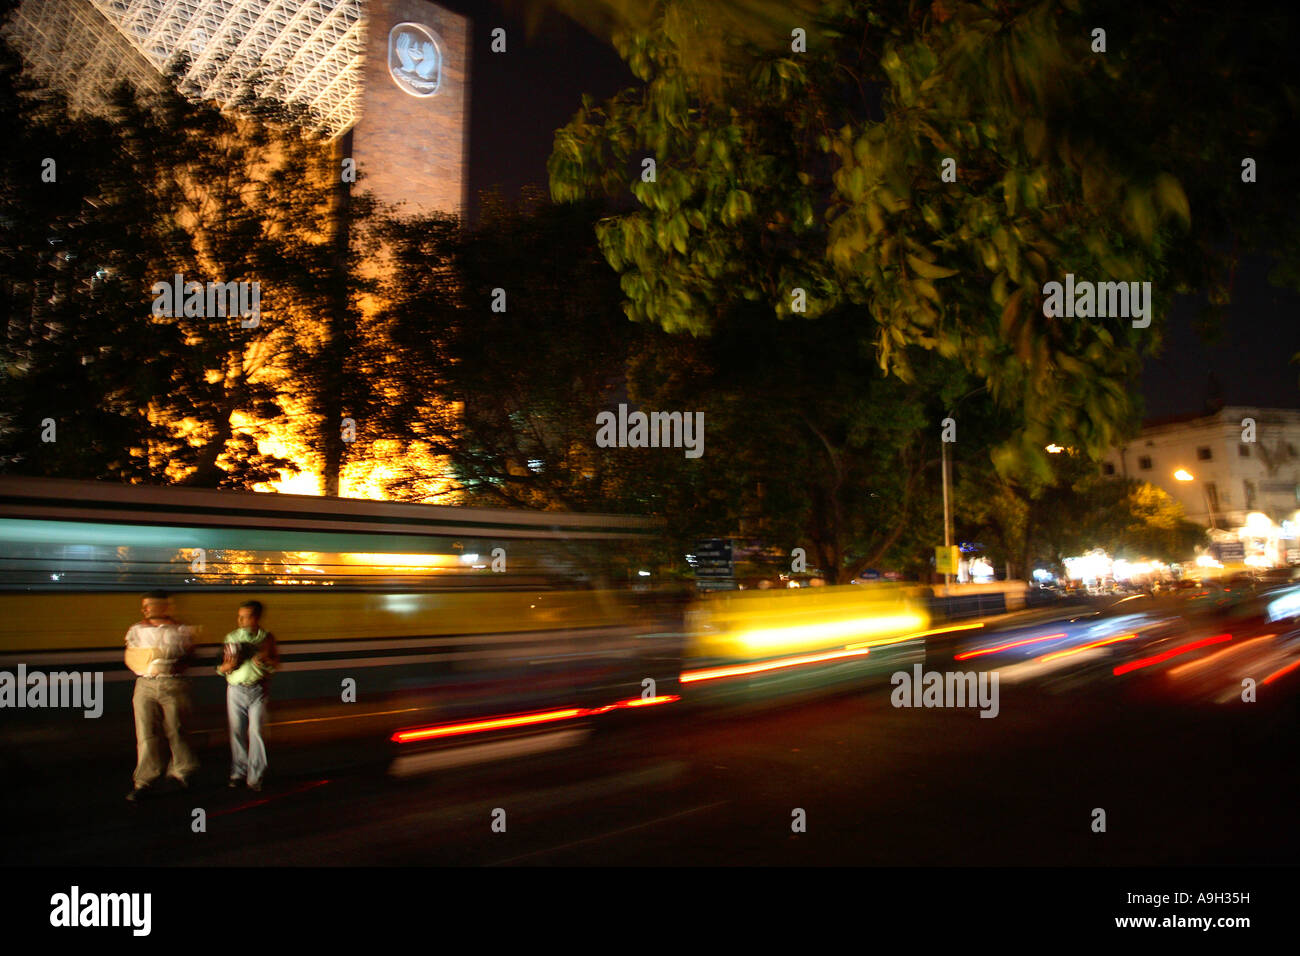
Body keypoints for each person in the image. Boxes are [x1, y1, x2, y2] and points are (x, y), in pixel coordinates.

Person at [124, 591, 198, 801]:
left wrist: (174, 661)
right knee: (146, 733)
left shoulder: (180, 630)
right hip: (145, 684)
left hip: (173, 683)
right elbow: (130, 656)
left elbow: (190, 655)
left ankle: (182, 771)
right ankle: (145, 779)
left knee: (177, 729)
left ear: (162, 606)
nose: (145, 609)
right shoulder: (136, 629)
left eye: (149, 605)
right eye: (144, 606)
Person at [218, 600, 279, 791]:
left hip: (258, 689)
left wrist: (266, 661)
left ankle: (255, 776)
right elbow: (221, 667)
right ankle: (238, 772)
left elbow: (275, 664)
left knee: (256, 732)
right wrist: (226, 667)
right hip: (235, 690)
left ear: (256, 618)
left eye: (245, 616)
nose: (241, 620)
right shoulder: (231, 637)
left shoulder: (267, 638)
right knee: (237, 732)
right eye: (239, 616)